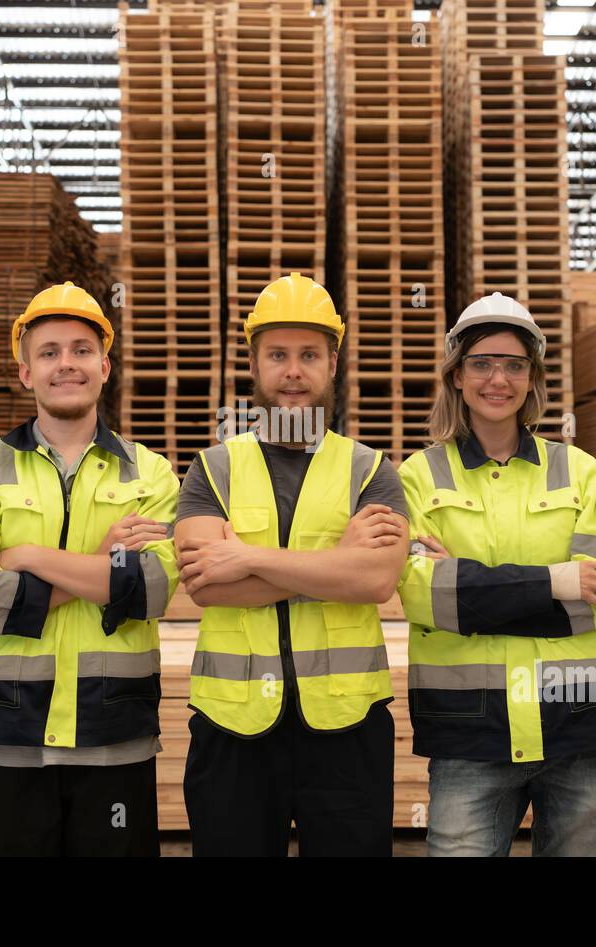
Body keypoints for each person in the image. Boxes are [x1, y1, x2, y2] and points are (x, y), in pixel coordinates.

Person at [175, 272, 409, 856]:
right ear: (254, 364)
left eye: (309, 354)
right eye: (277, 354)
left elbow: (377, 580)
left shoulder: (371, 470)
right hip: (233, 728)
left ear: (333, 363)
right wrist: (336, 566)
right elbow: (206, 584)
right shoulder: (213, 469)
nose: (293, 371)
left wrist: (249, 558)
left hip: (347, 728)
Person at [0, 281, 179, 857]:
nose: (65, 364)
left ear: (104, 365)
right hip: (10, 736)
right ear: (26, 372)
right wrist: (101, 566)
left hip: (113, 735)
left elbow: (148, 591)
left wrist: (24, 557)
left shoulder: (150, 474)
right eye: (48, 352)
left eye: (79, 350)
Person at [398, 292, 596, 856]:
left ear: (532, 379)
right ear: (456, 376)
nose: (497, 379)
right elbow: (427, 600)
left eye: (513, 365)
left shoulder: (579, 470)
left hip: (578, 723)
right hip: (470, 731)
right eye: (481, 363)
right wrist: (556, 581)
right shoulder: (417, 476)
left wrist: (473, 587)